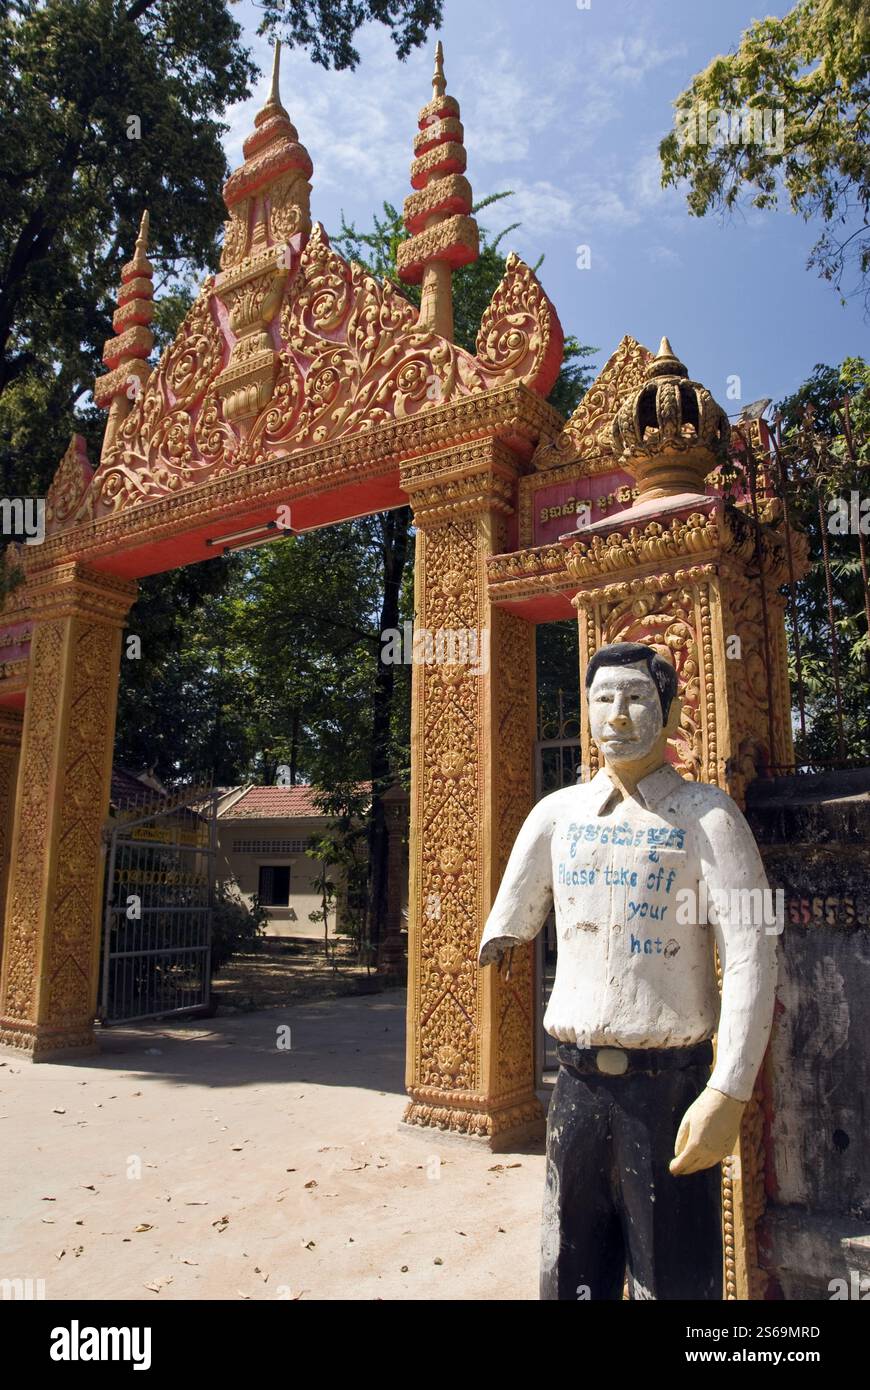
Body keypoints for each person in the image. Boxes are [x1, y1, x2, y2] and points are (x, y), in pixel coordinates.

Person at [479, 641, 778, 1300]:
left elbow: (754, 950)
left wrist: (729, 1092)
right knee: (569, 1268)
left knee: (671, 1274)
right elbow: (508, 921)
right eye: (603, 699)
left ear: (672, 715)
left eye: (638, 698)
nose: (618, 716)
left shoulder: (708, 817)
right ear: (585, 710)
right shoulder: (557, 818)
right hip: (576, 1085)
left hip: (667, 1090)